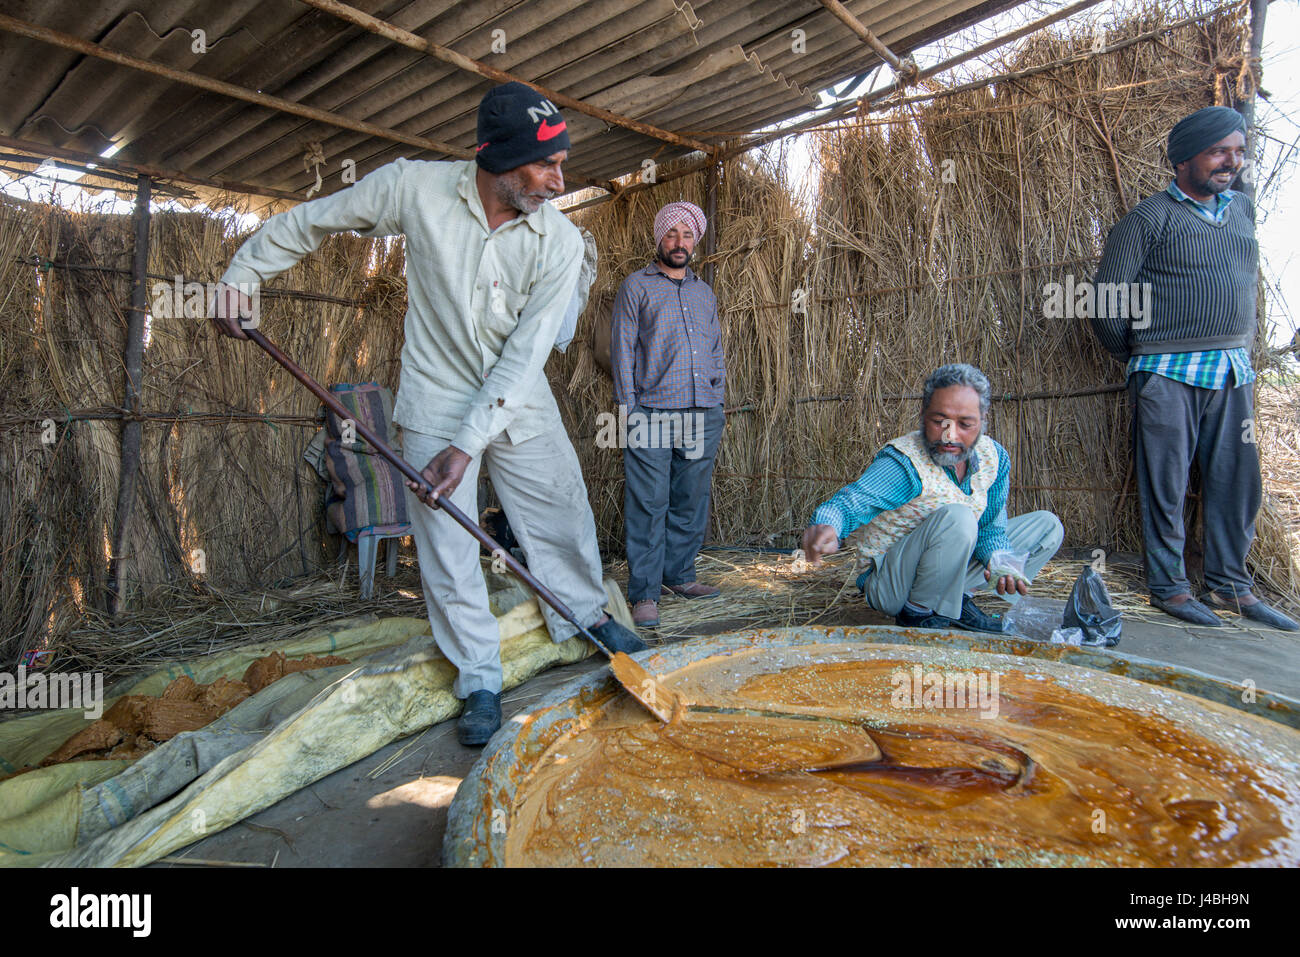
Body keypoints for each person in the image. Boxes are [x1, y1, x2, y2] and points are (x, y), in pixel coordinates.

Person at [209, 81, 646, 747]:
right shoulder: (414, 188)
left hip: (516, 394)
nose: (561, 181)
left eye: (562, 163)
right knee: (445, 539)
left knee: (560, 504)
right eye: (546, 165)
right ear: (497, 159)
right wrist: (244, 274)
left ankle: (587, 614)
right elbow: (314, 219)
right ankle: (478, 674)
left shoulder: (556, 241)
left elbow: (527, 353)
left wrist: (471, 441)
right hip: (436, 393)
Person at [1091, 105, 1296, 631]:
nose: (1232, 162)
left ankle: (1232, 587)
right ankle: (1169, 587)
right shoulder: (1147, 219)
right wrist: (1145, 357)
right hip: (1166, 371)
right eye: (1219, 151)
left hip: (1232, 369)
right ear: (1184, 158)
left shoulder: (1241, 212)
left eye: (1239, 152)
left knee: (1237, 482)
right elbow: (1107, 305)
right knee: (1166, 484)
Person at [800, 364, 1063, 632]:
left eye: (965, 424)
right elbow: (850, 503)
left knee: (1047, 526)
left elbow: (991, 528)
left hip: (945, 568)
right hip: (893, 584)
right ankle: (921, 612)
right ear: (923, 416)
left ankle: (955, 601)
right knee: (959, 518)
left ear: (983, 420)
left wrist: (1001, 562)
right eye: (939, 421)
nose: (950, 435)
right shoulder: (906, 463)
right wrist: (827, 526)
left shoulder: (993, 458)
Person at [610, 202, 726, 628]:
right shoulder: (636, 287)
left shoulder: (702, 292)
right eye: (672, 234)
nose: (680, 243)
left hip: (702, 412)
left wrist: (718, 402)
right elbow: (621, 351)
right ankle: (644, 592)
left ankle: (678, 576)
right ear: (659, 238)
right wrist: (629, 409)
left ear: (695, 240)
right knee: (648, 501)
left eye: (688, 235)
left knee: (690, 500)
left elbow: (715, 350)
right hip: (651, 412)